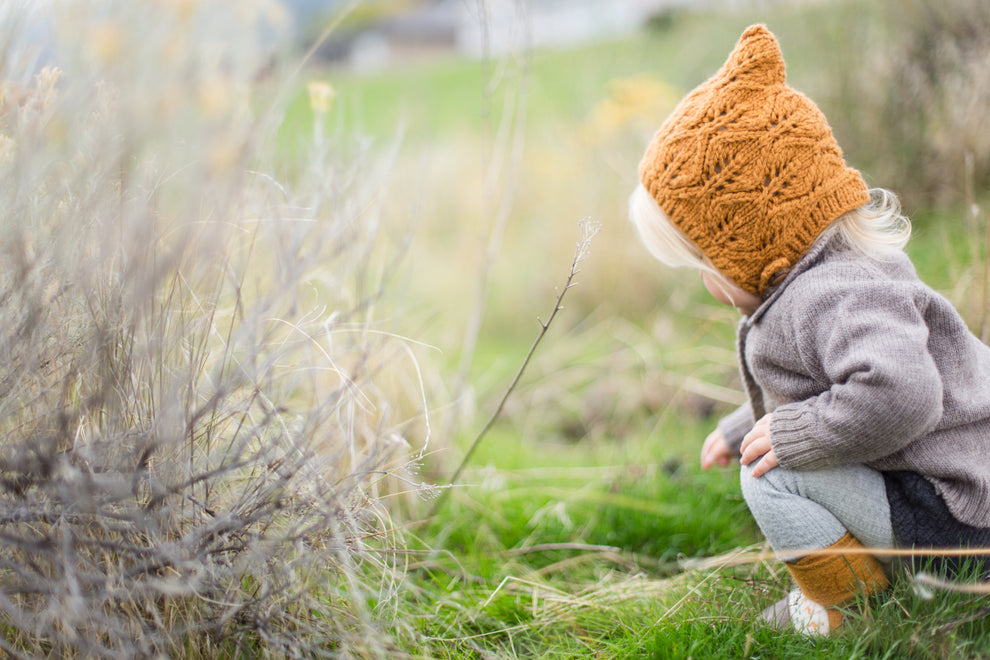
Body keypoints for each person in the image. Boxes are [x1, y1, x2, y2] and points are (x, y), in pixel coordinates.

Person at [628, 24, 990, 636]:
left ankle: (845, 607)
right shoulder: (831, 275)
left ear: (750, 241)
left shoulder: (830, 297)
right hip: (960, 483)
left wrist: (788, 436)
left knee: (770, 471)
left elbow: (905, 393)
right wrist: (743, 425)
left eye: (707, 267)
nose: (708, 287)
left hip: (958, 518)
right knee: (770, 446)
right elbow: (825, 385)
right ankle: (860, 578)